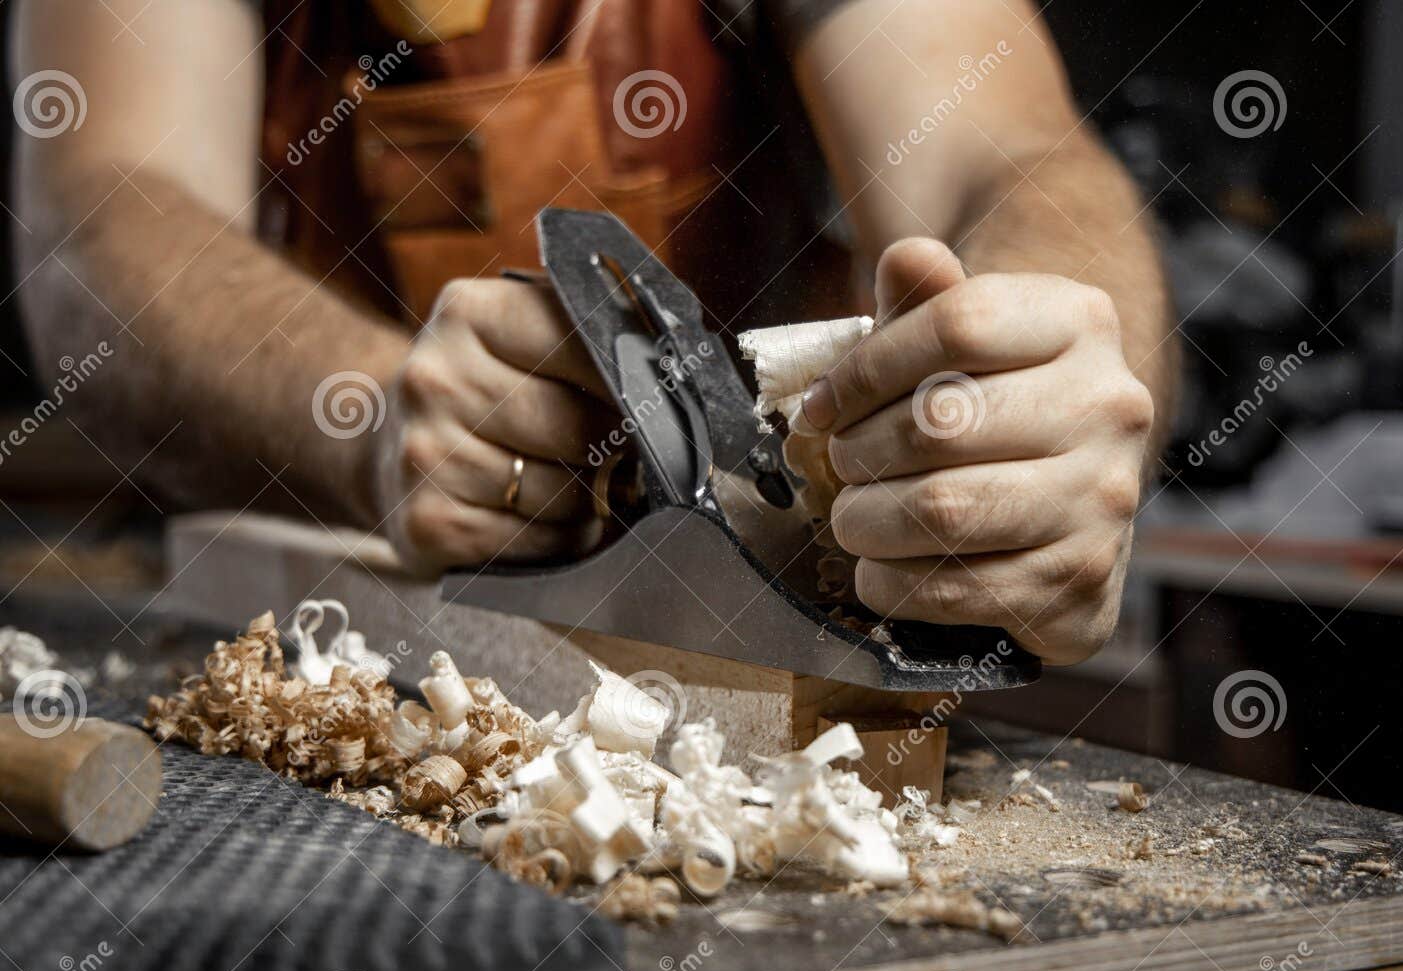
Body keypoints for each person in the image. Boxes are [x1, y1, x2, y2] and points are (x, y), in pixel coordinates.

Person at [10, 0, 1174, 665]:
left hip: (747, 624)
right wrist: (363, 406)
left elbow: (1004, 152)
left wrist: (1034, 369)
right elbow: (108, 210)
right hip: (318, 615)